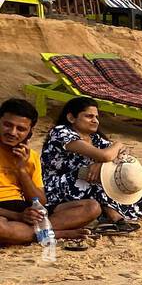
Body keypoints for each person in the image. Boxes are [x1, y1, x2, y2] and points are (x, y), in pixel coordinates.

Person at [39, 97, 142, 230]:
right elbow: (106, 155)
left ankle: (107, 214)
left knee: (123, 179)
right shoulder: (61, 132)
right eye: (89, 116)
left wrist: (100, 164)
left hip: (85, 177)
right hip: (55, 185)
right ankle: (114, 217)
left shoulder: (94, 138)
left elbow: (123, 153)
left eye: (96, 117)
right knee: (92, 181)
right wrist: (117, 145)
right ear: (71, 118)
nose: (95, 121)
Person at [0, 98, 100, 247]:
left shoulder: (31, 156)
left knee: (92, 207)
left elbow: (40, 201)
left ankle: (33, 232)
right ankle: (53, 233)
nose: (13, 132)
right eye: (8, 125)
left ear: (30, 132)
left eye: (20, 129)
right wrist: (18, 216)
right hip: (5, 213)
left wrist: (21, 169)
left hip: (24, 209)